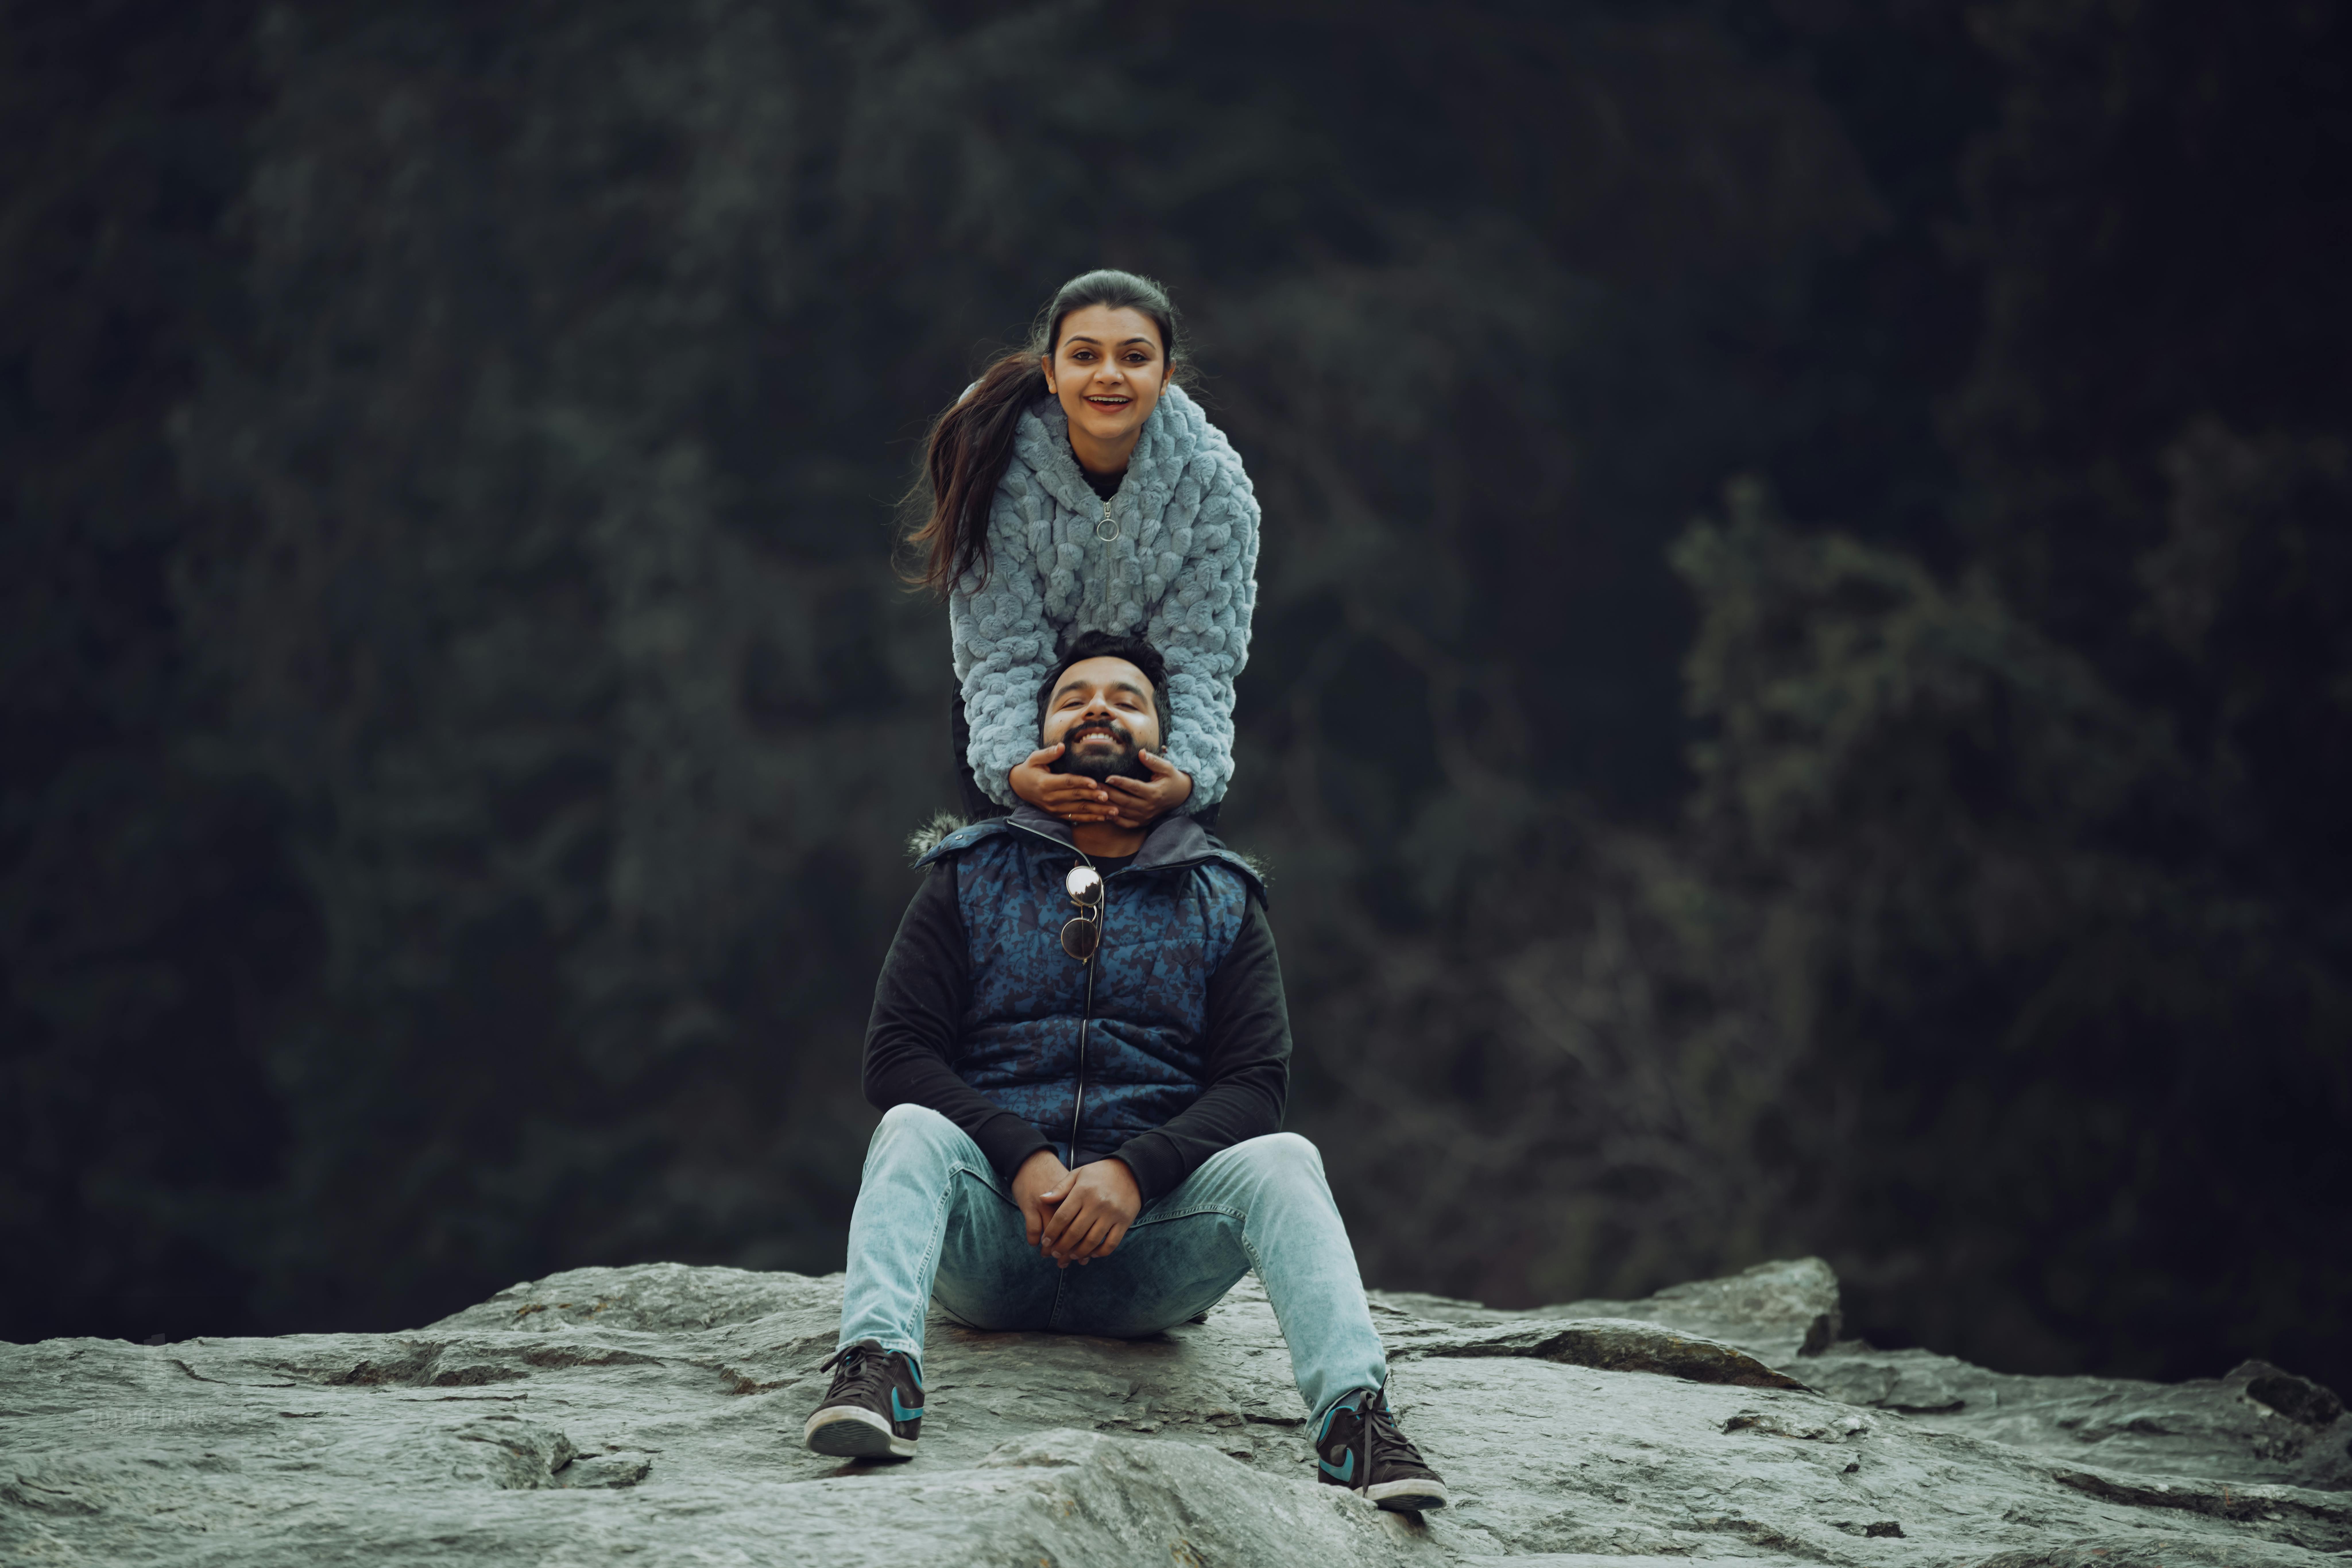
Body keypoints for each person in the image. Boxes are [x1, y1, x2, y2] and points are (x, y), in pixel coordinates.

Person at [803, 633, 1448, 1513]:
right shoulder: (968, 873)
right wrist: (1022, 1154)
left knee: (1286, 1156)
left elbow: (1256, 1082)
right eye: (1072, 698)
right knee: (910, 1127)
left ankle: (1355, 1424)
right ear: (1036, 738)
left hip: (1151, 1256)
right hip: (996, 1237)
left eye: (1126, 698)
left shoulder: (1223, 895)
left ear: (1164, 741)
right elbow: (897, 1058)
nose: (1098, 707)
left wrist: (1134, 1173)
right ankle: (878, 1373)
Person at [909, 269, 1259, 833]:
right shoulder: (995, 468)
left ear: (1166, 374)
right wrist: (1015, 769)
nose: (1109, 376)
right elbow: (1001, 650)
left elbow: (1200, 661)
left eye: (1135, 357)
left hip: (1155, 714)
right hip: (1018, 706)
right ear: (1052, 371)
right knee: (1014, 891)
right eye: (1085, 355)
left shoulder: (1216, 489)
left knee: (1164, 895)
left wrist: (1186, 777)